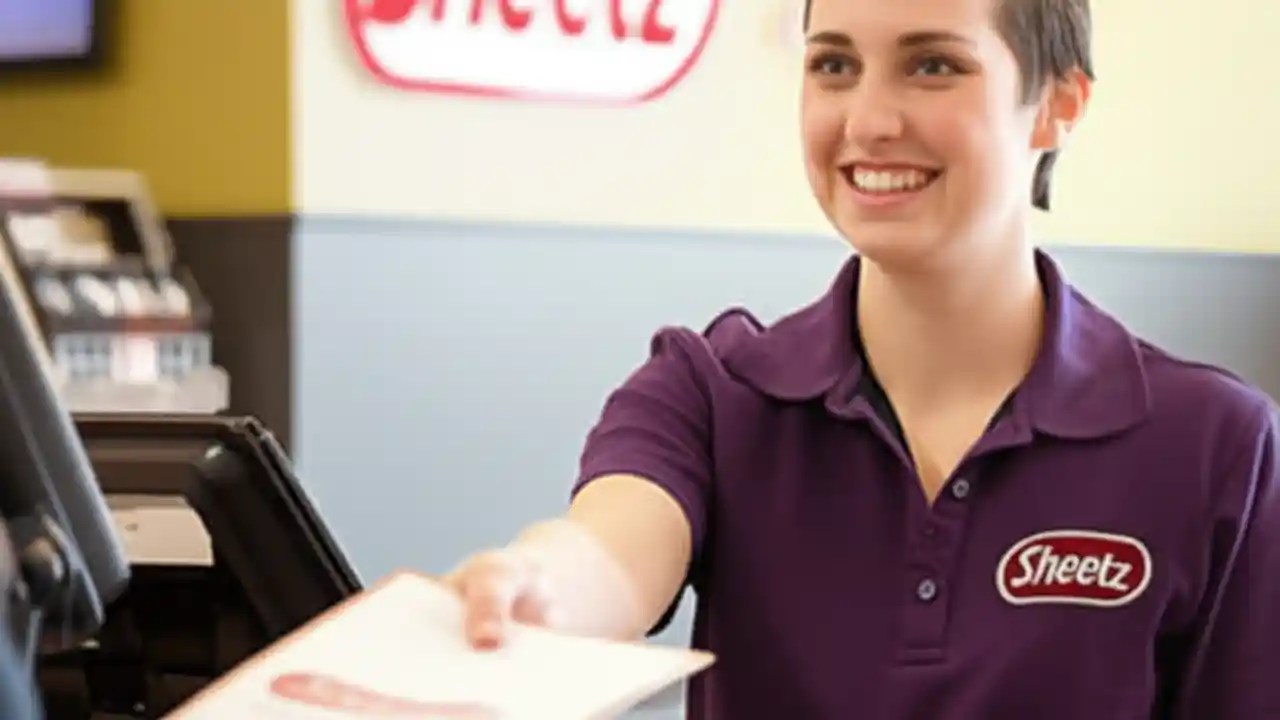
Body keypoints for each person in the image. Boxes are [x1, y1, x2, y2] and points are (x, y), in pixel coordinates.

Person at [444, 0, 1280, 716]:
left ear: (1058, 102)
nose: (869, 120)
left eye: (933, 66)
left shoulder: (1216, 445)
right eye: (835, 65)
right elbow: (610, 553)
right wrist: (531, 592)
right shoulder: (707, 391)